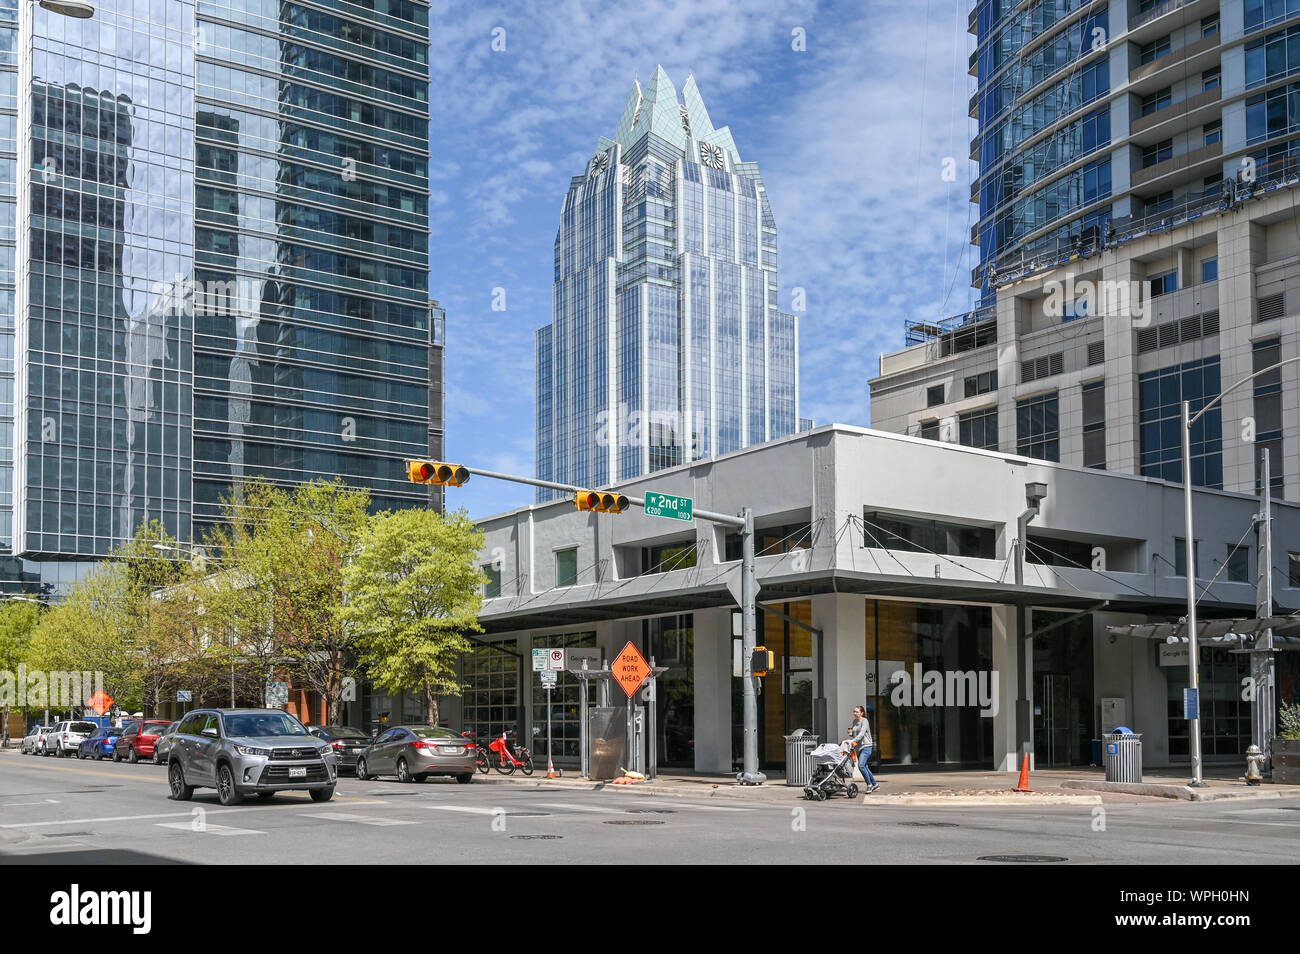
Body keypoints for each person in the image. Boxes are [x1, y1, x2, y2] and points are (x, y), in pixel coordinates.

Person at [846, 705, 879, 793]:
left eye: (857, 711)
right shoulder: (854, 722)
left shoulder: (865, 721)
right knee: (865, 766)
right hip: (859, 748)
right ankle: (875, 784)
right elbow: (855, 734)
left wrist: (852, 740)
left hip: (866, 746)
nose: (855, 713)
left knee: (861, 766)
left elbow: (861, 734)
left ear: (861, 713)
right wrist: (851, 734)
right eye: (854, 711)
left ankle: (869, 785)